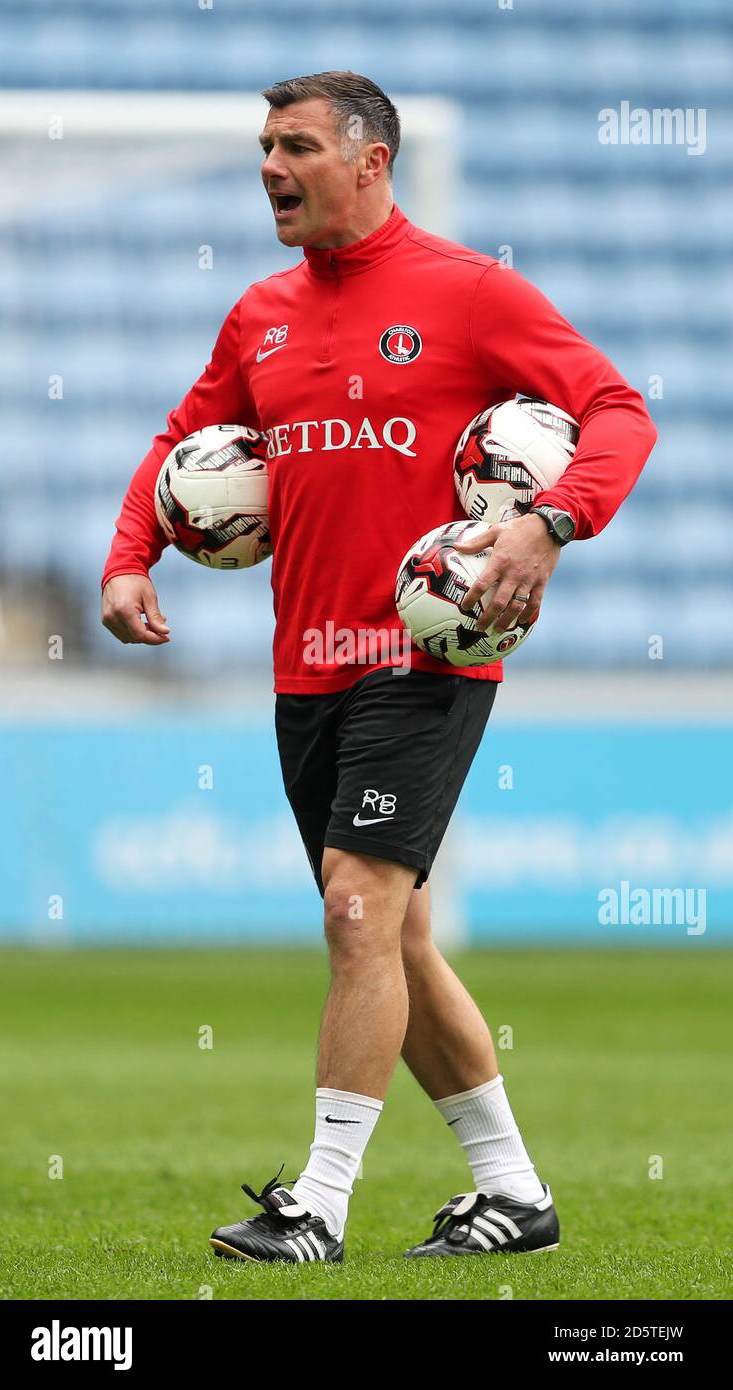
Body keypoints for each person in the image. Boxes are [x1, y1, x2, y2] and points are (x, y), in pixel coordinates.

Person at [101, 71, 657, 1262]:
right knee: (387, 934)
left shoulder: (467, 293)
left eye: (294, 144)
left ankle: (317, 1202)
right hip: (300, 663)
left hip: (425, 648)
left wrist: (548, 522)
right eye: (261, 145)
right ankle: (513, 1193)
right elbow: (179, 439)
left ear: (368, 160)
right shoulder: (259, 314)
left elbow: (617, 410)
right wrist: (129, 556)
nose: (268, 166)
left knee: (357, 911)